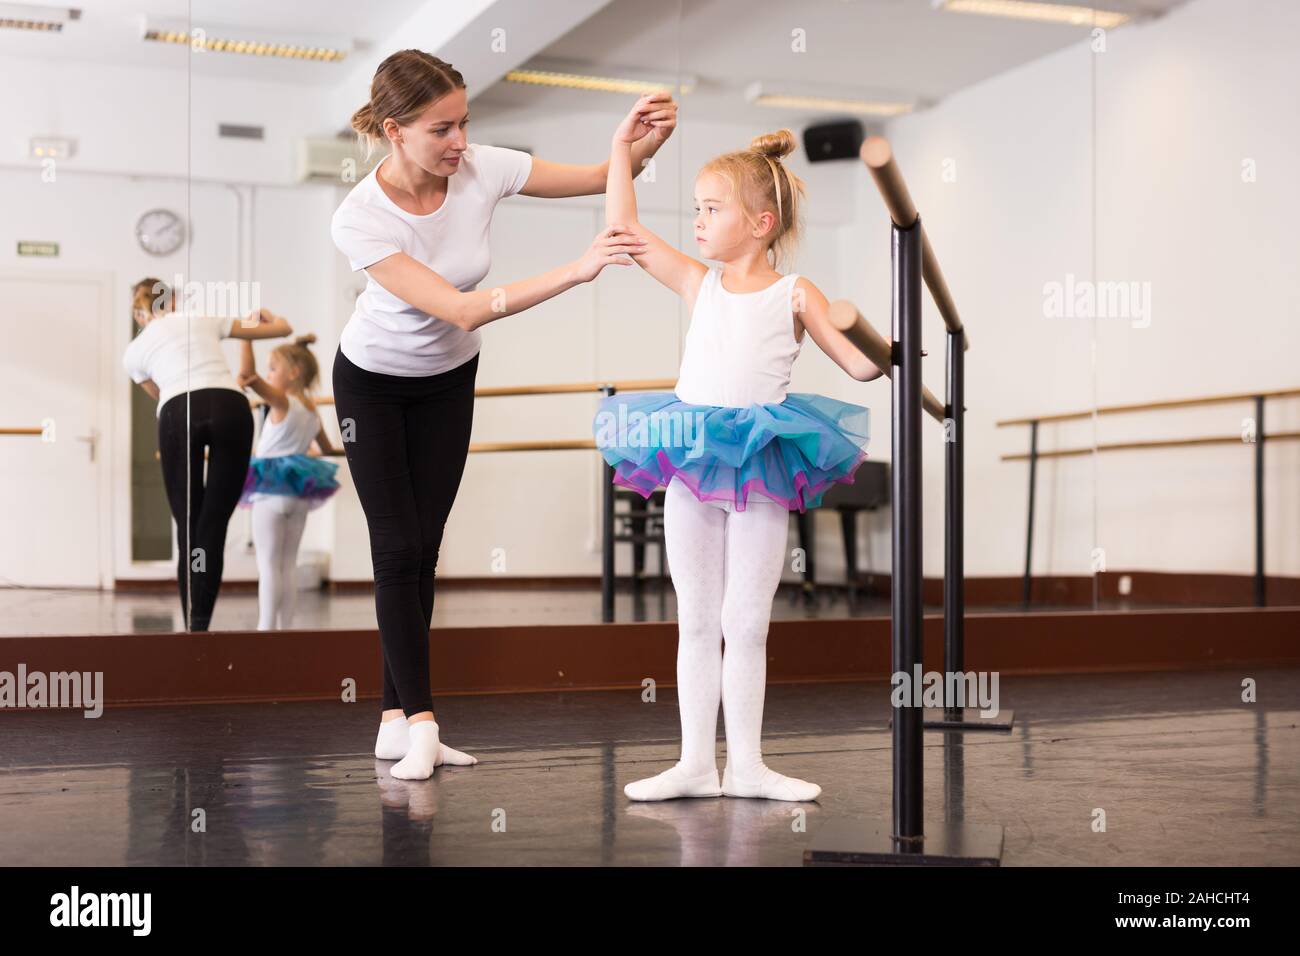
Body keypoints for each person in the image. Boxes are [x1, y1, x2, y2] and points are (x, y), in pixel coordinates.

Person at [330, 49, 676, 780]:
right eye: (441, 129)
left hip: (449, 377)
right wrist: (576, 271)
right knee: (395, 547)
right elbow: (458, 306)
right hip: (371, 384)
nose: (460, 143)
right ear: (394, 131)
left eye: (465, 123)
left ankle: (396, 719)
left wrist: (636, 148)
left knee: (425, 544)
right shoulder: (359, 217)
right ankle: (421, 722)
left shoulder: (480, 166)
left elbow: (594, 180)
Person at [593, 98, 884, 802]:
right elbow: (624, 229)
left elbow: (859, 367)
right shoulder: (701, 283)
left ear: (761, 223)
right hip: (694, 451)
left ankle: (748, 765)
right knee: (695, 615)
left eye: (710, 209)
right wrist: (620, 151)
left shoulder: (794, 291)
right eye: (695, 208)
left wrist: (884, 347)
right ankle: (696, 762)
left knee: (745, 619)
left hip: (762, 460)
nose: (696, 222)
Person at [123, 278, 293, 631]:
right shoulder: (202, 317)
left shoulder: (135, 352)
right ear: (173, 302)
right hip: (232, 407)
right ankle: (202, 623)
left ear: (140, 314)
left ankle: (193, 628)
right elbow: (283, 328)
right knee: (213, 524)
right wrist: (263, 315)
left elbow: (161, 394)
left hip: (179, 410)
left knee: (189, 525)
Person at [235, 330, 341, 630]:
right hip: (298, 493)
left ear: (293, 373)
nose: (269, 374)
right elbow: (327, 449)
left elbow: (248, 377)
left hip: (270, 490)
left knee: (268, 565)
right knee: (288, 564)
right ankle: (286, 628)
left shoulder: (281, 401)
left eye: (273, 368)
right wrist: (298, 447)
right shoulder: (311, 411)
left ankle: (265, 629)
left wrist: (245, 334)